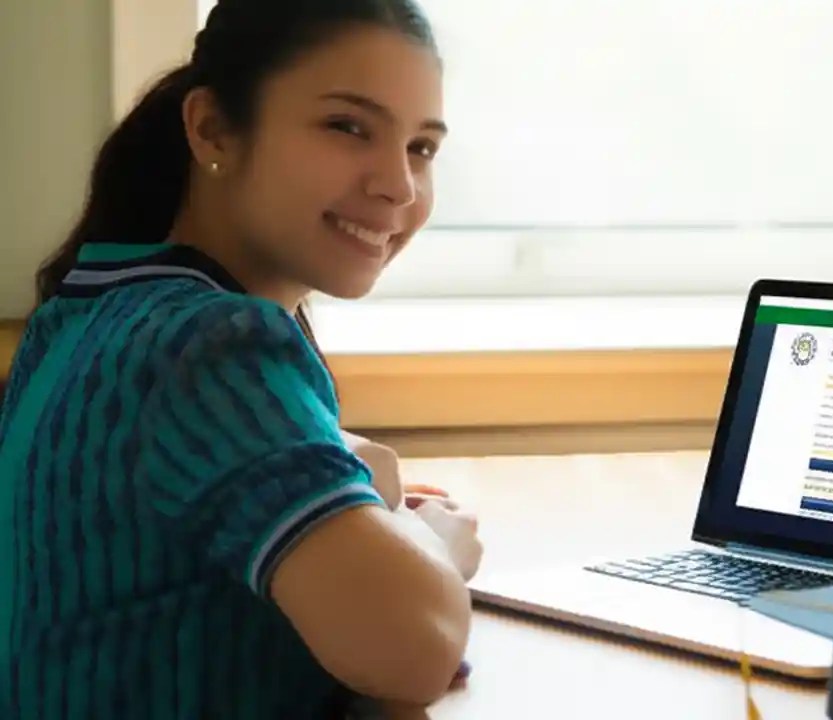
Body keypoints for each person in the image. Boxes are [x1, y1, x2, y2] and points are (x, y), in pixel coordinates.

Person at [0, 0, 482, 717]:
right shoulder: (209, 345)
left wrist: (350, 476)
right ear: (213, 127)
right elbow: (415, 647)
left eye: (421, 147)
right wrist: (433, 546)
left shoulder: (87, 313)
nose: (398, 185)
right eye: (348, 127)